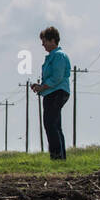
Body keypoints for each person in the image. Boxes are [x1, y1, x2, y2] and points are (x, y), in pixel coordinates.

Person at [31, 26, 71, 160]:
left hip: (56, 92)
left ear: (53, 40)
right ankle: (60, 156)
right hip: (51, 92)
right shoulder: (52, 56)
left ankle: (56, 156)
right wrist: (41, 87)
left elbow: (57, 77)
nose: (43, 44)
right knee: (55, 124)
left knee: (50, 124)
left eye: (45, 41)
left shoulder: (58, 56)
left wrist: (42, 87)